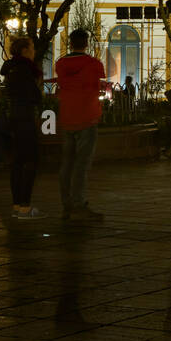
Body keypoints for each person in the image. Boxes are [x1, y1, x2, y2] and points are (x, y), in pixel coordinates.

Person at [55, 29, 108, 222]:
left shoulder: (60, 64)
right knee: (82, 164)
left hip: (67, 116)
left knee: (67, 163)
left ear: (70, 43)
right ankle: (78, 205)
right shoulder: (93, 64)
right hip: (87, 116)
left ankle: (67, 205)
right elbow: (98, 84)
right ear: (86, 43)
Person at [1, 37, 44, 220]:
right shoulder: (25, 70)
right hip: (24, 119)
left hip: (12, 119)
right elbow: (34, 97)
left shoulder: (11, 69)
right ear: (25, 51)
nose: (34, 51)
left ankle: (17, 204)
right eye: (32, 48)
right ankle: (25, 207)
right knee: (30, 162)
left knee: (17, 163)